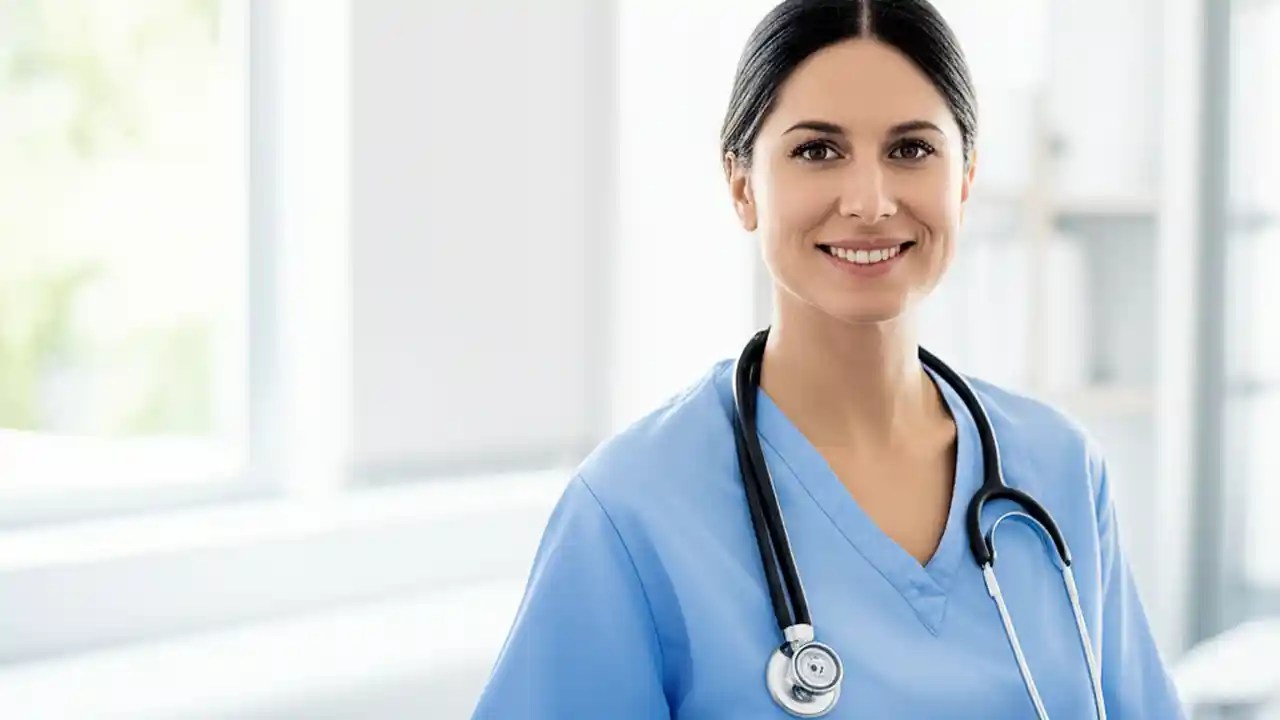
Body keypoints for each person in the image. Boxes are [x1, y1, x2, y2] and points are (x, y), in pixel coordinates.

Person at [471, 0, 1185, 716]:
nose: (870, 202)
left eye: (911, 150)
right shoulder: (633, 508)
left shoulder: (1060, 473)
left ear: (965, 177)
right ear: (742, 185)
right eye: (818, 150)